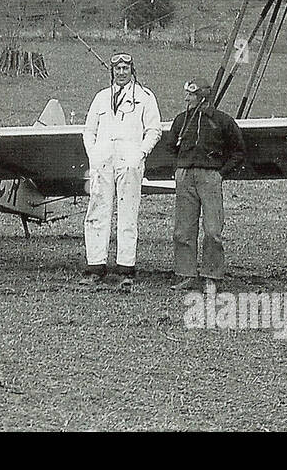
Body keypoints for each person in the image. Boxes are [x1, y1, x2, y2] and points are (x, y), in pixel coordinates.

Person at [80, 52, 161, 291]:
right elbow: (88, 130)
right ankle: (96, 265)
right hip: (102, 162)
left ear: (132, 70)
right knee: (97, 211)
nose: (122, 72)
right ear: (112, 71)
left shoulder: (145, 97)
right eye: (118, 69)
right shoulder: (101, 98)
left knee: (128, 213)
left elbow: (154, 130)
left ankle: (126, 267)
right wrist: (93, 154)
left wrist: (140, 154)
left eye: (126, 68)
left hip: (129, 161)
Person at [158, 77, 246, 290]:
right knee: (183, 229)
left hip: (210, 178)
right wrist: (179, 168)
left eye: (191, 94)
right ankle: (186, 274)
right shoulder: (181, 120)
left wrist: (220, 173)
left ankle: (211, 277)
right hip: (185, 177)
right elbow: (170, 147)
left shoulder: (223, 121)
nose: (186, 98)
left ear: (203, 97)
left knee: (212, 229)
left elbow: (238, 151)